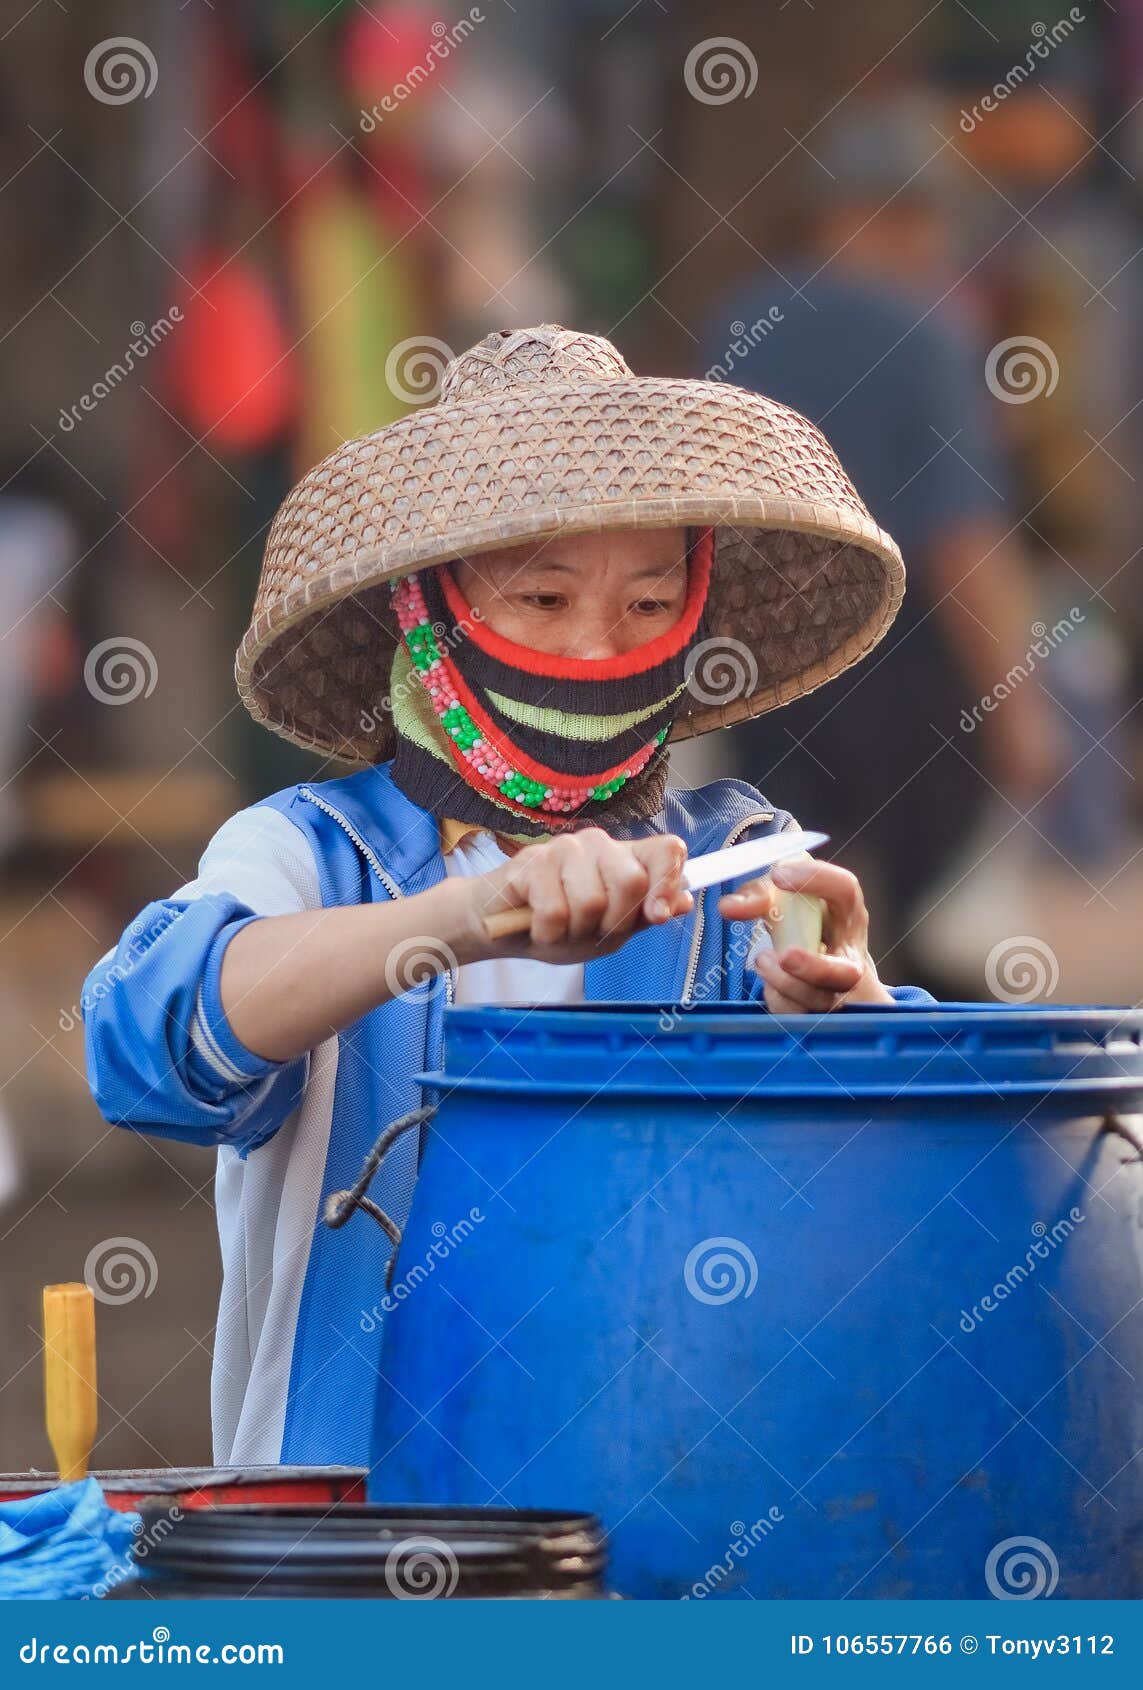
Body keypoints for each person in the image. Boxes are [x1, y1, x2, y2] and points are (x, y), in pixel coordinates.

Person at [82, 324, 931, 1467]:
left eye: (646, 604)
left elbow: (906, 1179)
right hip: (343, 1541)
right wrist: (465, 916)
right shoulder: (304, 855)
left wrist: (849, 1009)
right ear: (422, 616)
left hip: (658, 1530)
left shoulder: (740, 866)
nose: (596, 646)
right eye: (540, 598)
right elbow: (147, 1050)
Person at [705, 96, 1062, 977]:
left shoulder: (741, 323)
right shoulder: (926, 339)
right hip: (897, 651)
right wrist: (1017, 707)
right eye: (923, 217)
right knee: (897, 894)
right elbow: (960, 537)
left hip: (757, 649)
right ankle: (882, 1035)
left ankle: (794, 1022)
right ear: (881, 215)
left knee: (788, 866)